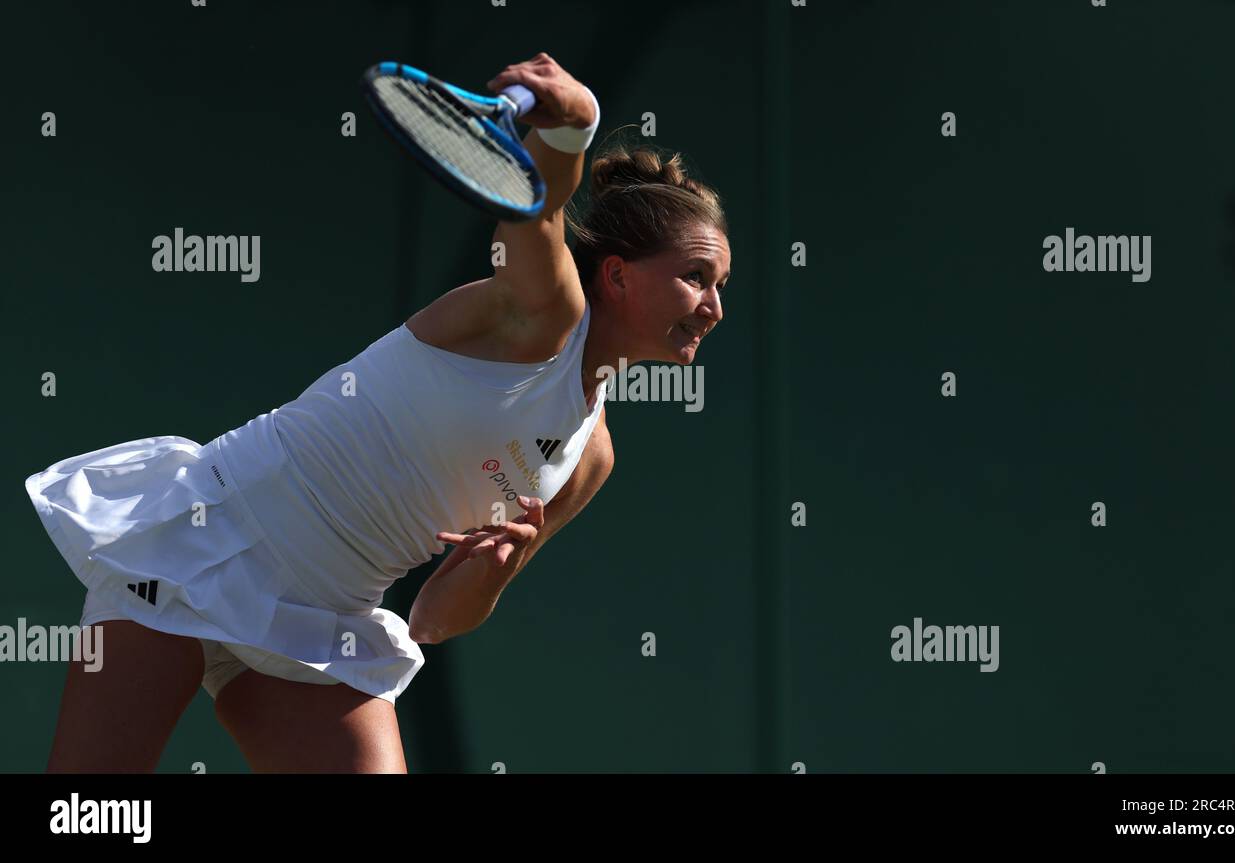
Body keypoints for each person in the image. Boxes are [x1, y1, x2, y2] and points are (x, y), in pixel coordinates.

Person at [27, 52, 731, 773]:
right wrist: (574, 127)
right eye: (695, 277)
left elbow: (433, 617)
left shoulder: (590, 458)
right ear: (616, 276)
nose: (714, 306)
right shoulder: (542, 314)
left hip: (323, 622)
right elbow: (539, 208)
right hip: (212, 540)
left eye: (719, 284)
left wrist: (492, 567)